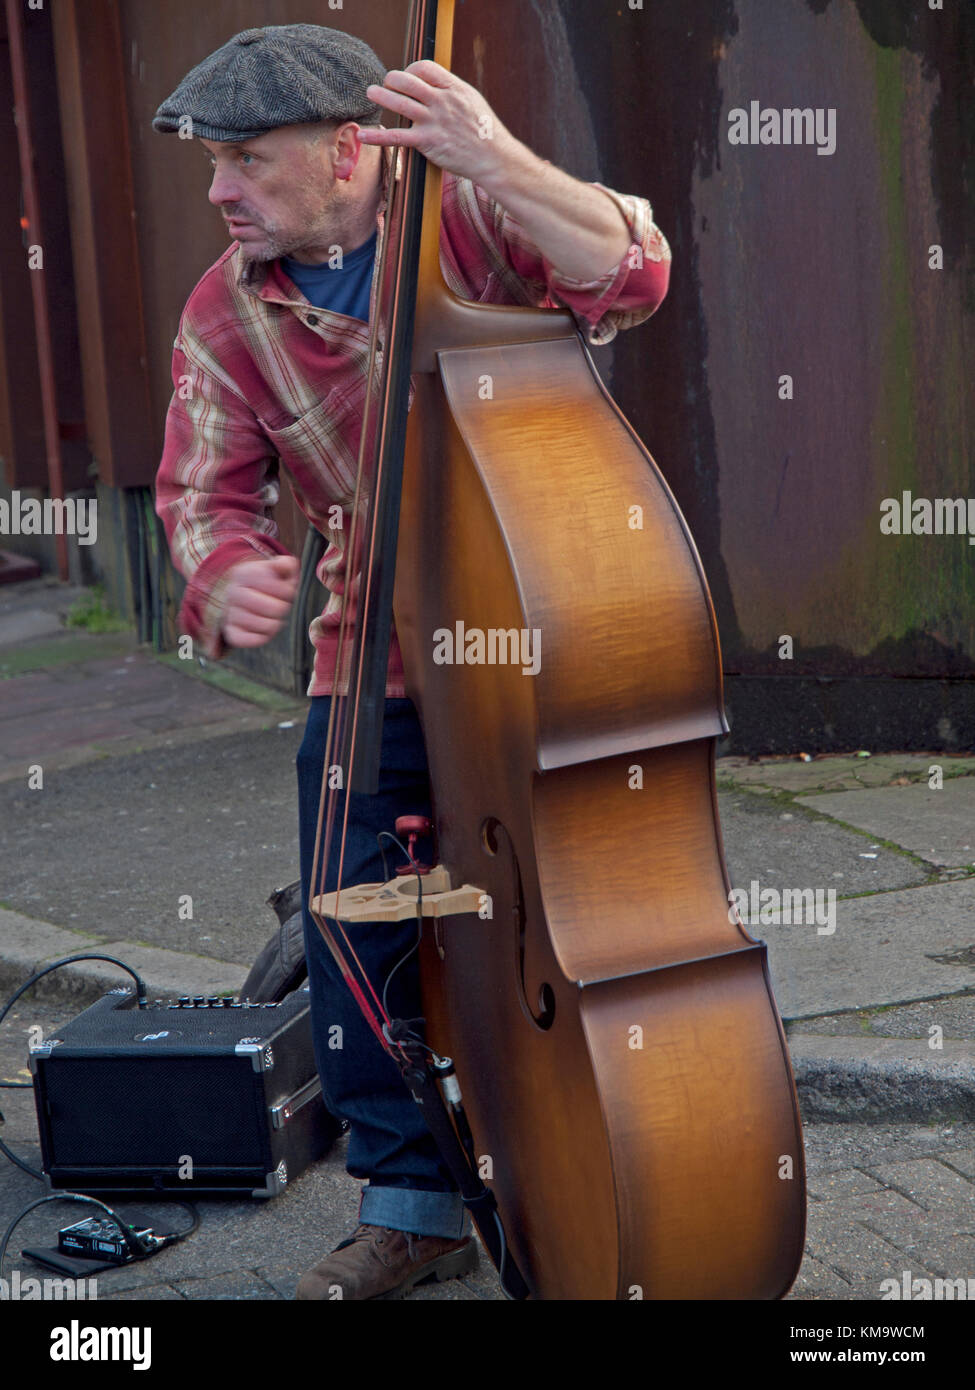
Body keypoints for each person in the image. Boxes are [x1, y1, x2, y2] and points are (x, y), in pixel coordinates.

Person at [153, 22, 671, 1300]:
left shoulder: (476, 219)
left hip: (559, 623)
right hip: (370, 642)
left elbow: (634, 273)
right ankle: (411, 1203)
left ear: (348, 153)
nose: (220, 192)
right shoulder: (227, 304)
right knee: (347, 906)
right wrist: (222, 569)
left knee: (592, 900)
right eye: (211, 164)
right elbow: (200, 491)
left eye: (247, 162)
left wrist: (495, 156)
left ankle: (633, 1140)